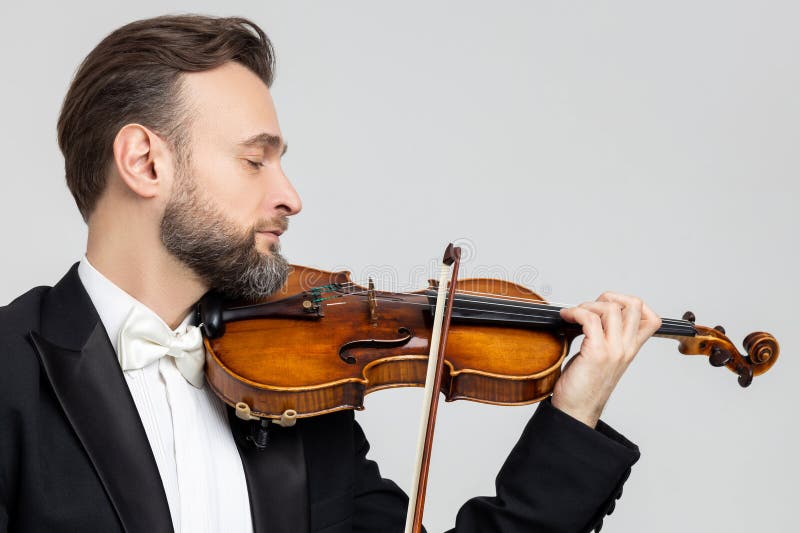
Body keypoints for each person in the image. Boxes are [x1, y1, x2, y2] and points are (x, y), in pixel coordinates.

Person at [0, 14, 661, 533]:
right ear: (145, 162)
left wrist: (574, 413)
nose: (290, 196)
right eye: (255, 161)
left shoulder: (294, 383)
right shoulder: (9, 376)